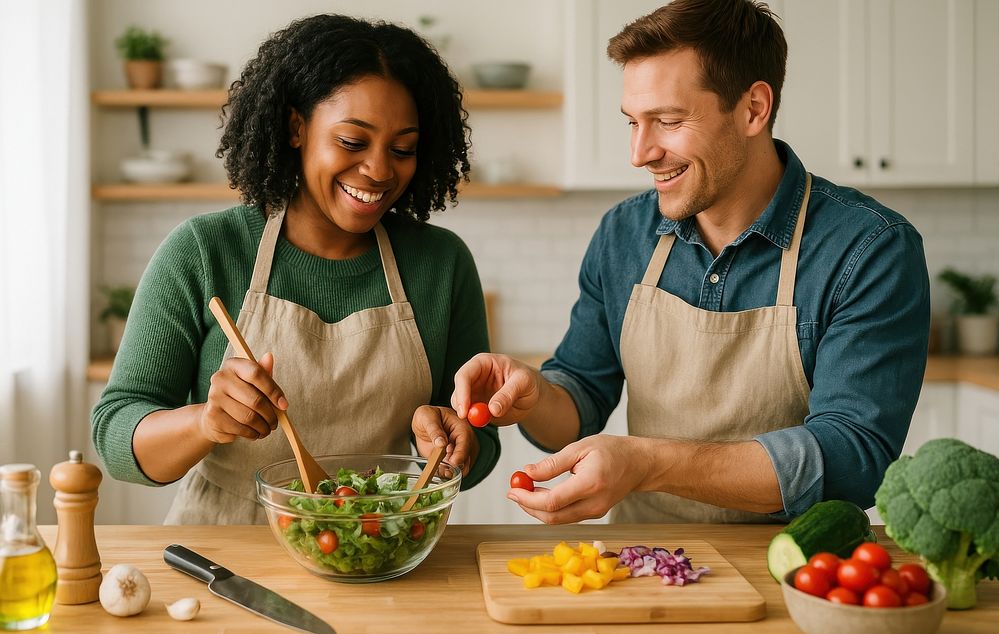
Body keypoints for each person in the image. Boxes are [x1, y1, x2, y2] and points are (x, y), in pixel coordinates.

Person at [451, 0, 929, 524]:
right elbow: (581, 397)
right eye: (633, 122)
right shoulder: (623, 234)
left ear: (753, 109)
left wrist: (647, 463)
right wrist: (534, 394)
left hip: (796, 574)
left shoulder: (868, 247)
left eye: (669, 121)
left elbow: (853, 458)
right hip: (640, 566)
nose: (640, 152)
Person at [92, 14, 499, 524]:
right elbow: (115, 436)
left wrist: (452, 445)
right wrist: (206, 422)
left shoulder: (441, 263)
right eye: (353, 142)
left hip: (380, 546)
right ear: (295, 128)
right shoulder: (204, 251)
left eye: (403, 149)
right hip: (223, 553)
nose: (379, 170)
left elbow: (480, 441)